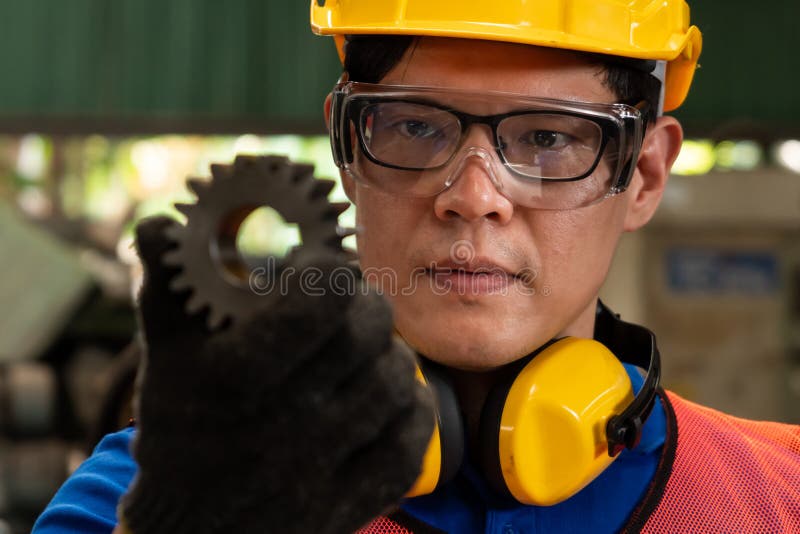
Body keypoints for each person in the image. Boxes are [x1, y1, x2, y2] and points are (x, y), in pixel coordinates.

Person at [34, 1, 800, 533]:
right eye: (413, 127)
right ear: (345, 146)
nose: (472, 198)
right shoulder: (151, 491)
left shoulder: (782, 496)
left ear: (645, 175)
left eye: (547, 139)